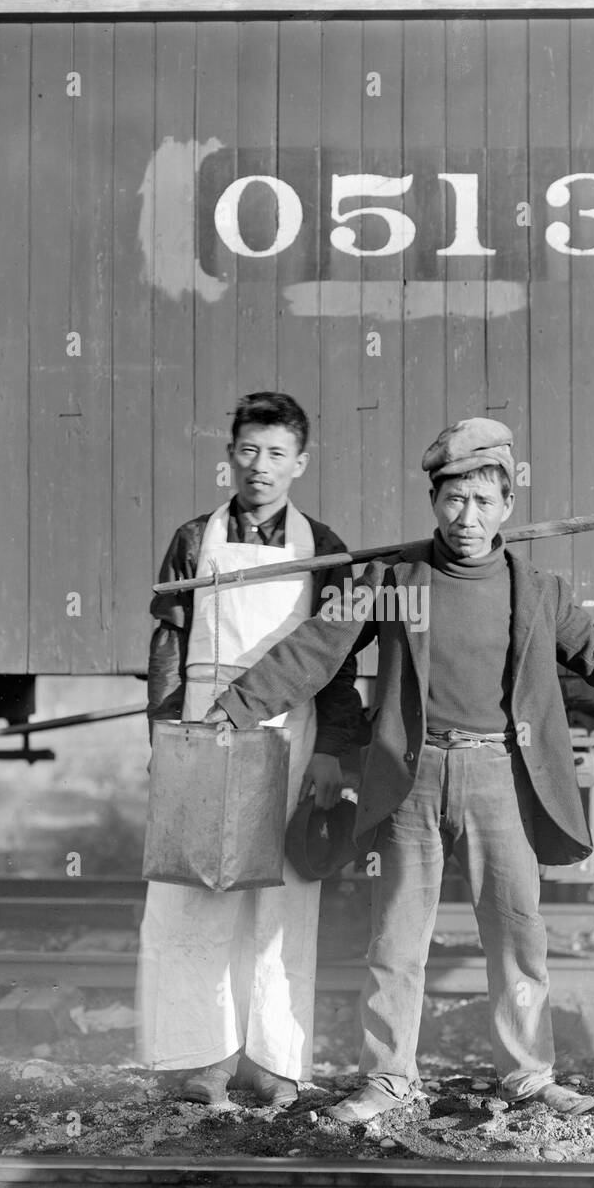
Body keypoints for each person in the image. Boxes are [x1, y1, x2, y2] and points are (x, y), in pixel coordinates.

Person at [202, 417, 594, 1122]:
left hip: (499, 777)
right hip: (408, 779)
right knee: (395, 941)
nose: (467, 518)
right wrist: (234, 705)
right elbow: (314, 650)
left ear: (508, 506)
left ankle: (530, 1076)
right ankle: (387, 1080)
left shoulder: (536, 589)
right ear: (434, 502)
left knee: (518, 935)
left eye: (483, 502)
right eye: (453, 500)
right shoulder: (395, 579)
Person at [139, 392, 361, 1108]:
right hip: (203, 729)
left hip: (288, 737)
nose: (259, 468)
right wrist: (166, 739)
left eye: (275, 454)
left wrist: (330, 749)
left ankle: (273, 1061)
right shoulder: (192, 539)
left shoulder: (322, 547)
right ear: (229, 454)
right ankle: (200, 1059)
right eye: (247, 451)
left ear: (300, 462)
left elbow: (333, 662)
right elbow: (169, 646)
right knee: (194, 894)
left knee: (282, 900)